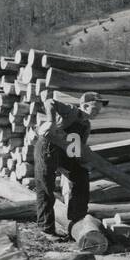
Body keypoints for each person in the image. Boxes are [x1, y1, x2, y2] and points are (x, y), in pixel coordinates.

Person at [33, 90, 102, 238]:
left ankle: (77, 220)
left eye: (99, 110)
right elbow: (49, 102)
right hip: (47, 147)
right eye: (94, 108)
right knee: (46, 187)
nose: (97, 112)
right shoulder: (72, 111)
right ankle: (46, 229)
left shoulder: (86, 125)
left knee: (81, 176)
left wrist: (82, 161)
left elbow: (76, 148)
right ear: (84, 105)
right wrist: (51, 121)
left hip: (64, 152)